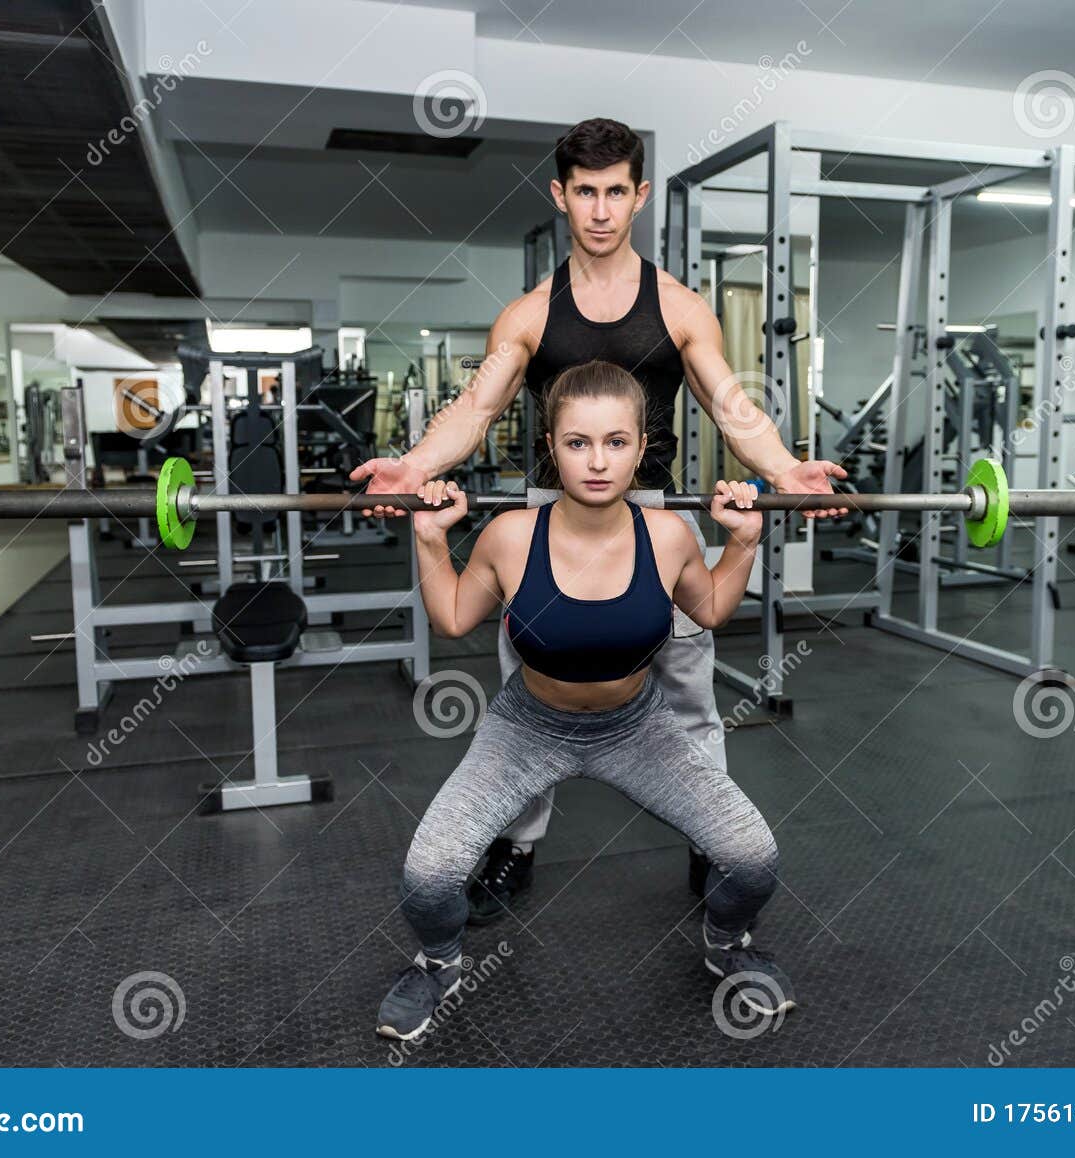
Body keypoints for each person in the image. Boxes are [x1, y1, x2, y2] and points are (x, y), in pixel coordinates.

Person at [353, 117, 845, 922]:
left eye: (618, 191)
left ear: (639, 196)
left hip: (653, 521)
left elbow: (731, 405)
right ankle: (514, 846)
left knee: (688, 690)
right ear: (562, 196)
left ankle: (708, 838)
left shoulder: (681, 308)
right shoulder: (530, 314)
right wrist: (416, 466)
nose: (603, 210)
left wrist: (786, 469)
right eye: (587, 192)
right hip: (549, 524)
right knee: (528, 689)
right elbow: (476, 408)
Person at [378, 361, 795, 1041]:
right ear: (549, 447)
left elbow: (712, 609)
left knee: (752, 857)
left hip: (638, 728)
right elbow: (454, 618)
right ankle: (438, 964)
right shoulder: (511, 535)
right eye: (577, 443)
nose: (597, 462)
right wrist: (429, 540)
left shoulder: (668, 537)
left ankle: (727, 943)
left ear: (642, 447)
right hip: (526, 728)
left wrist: (744, 542)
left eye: (615, 442)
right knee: (429, 876)